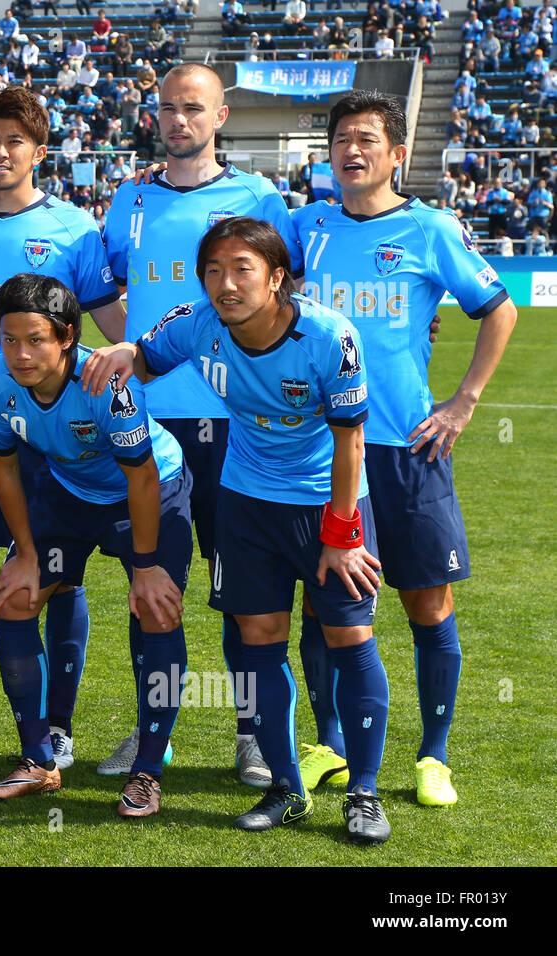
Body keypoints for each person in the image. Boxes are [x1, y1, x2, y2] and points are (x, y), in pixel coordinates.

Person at [92, 216, 392, 844]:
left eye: (241, 270)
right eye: (213, 271)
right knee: (259, 638)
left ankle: (363, 792)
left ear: (276, 277)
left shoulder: (329, 336)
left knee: (349, 635)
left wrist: (342, 534)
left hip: (327, 503)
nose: (225, 284)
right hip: (247, 502)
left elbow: (351, 440)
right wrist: (121, 355)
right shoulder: (198, 323)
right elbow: (143, 357)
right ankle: (286, 787)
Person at [289, 90, 517, 808]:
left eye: (366, 139)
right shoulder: (306, 226)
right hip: (324, 450)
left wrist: (463, 401)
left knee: (427, 602)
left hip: (405, 448)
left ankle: (433, 755)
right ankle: (327, 746)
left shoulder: (430, 228)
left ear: (396, 154)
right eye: (341, 140)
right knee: (326, 607)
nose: (351, 151)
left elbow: (498, 309)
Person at [99, 63, 299, 783]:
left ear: (220, 117)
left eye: (192, 108)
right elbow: (102, 287)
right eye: (167, 108)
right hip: (152, 427)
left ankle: (253, 734)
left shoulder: (259, 196)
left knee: (245, 591)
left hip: (237, 427)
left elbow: (289, 296)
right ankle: (153, 733)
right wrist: (136, 351)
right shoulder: (130, 197)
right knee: (151, 583)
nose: (177, 120)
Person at [0, 85, 126, 764]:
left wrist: (151, 355)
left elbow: (104, 316)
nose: (0, 152)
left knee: (58, 568)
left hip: (51, 411)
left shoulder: (75, 227)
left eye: (15, 141)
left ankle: (56, 726)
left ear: (40, 151)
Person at [0, 274, 190, 815]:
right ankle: (39, 760)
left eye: (35, 340)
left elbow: (141, 478)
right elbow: (3, 470)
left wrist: (145, 567)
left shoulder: (106, 384)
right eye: (9, 340)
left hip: (149, 490)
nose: (21, 354)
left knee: (156, 610)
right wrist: (25, 554)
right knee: (13, 600)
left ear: (67, 337)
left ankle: (147, 770)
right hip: (69, 491)